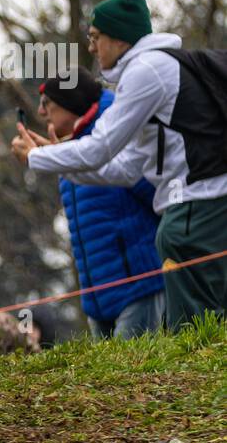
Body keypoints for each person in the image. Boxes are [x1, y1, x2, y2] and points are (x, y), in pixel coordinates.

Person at [13, 0, 227, 328]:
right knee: (206, 320)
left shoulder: (147, 70)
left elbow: (101, 148)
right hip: (196, 205)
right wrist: (55, 158)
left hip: (193, 206)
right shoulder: (155, 67)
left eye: (96, 38)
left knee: (195, 327)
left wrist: (39, 156)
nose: (91, 47)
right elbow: (127, 168)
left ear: (119, 38)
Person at [35, 70, 165, 337]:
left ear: (70, 103)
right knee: (106, 379)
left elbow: (158, 199)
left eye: (47, 103)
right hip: (97, 300)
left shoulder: (120, 136)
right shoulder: (71, 148)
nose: (40, 112)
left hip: (139, 289)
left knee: (132, 376)